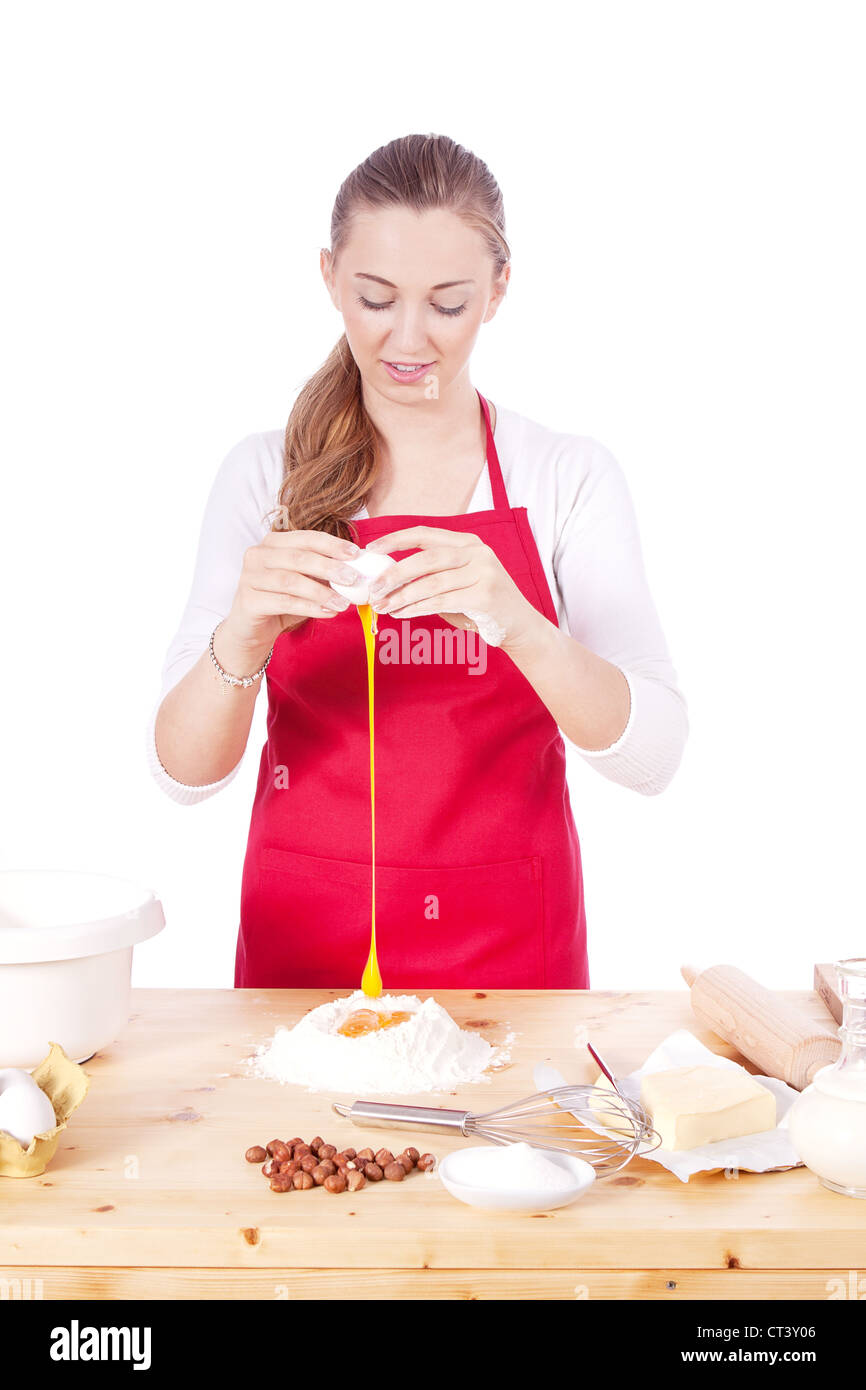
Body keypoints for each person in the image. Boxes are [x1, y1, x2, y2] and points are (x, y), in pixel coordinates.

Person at [149, 132, 688, 990]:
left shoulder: (565, 476)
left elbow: (654, 757)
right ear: (329, 277)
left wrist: (521, 626)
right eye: (374, 297)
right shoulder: (263, 476)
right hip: (303, 961)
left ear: (499, 291)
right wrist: (243, 636)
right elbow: (182, 775)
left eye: (447, 304)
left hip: (513, 964)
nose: (408, 339)